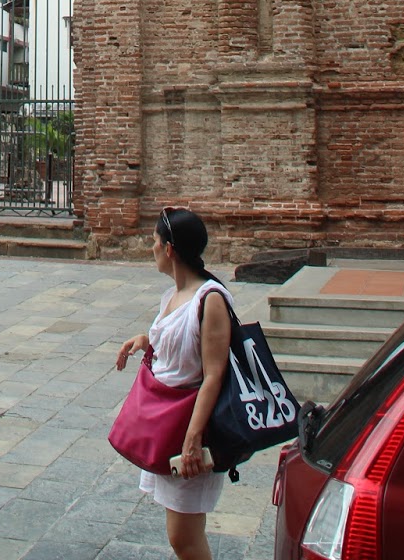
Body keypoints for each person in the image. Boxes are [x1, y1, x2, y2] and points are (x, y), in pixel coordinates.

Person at [115, 208, 234, 560]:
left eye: (153, 241)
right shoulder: (171, 296)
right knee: (179, 537)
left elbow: (214, 372)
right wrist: (146, 341)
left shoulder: (209, 299)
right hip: (167, 426)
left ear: (169, 249)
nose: (150, 247)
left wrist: (194, 439)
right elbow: (182, 350)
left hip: (190, 427)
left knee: (184, 538)